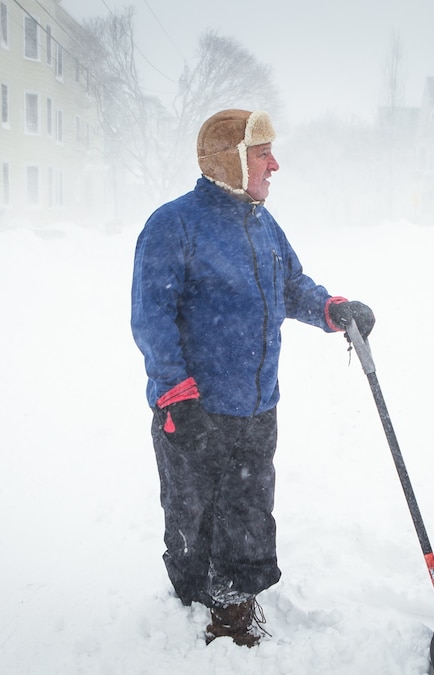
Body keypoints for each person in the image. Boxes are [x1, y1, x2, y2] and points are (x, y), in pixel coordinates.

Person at [130, 109, 375, 647]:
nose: (275, 165)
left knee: (248, 507)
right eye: (263, 153)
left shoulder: (262, 224)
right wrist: (176, 395)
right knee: (194, 514)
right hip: (196, 408)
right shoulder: (174, 225)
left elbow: (291, 286)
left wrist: (335, 311)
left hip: (257, 404)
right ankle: (194, 608)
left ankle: (235, 603)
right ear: (232, 160)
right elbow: (152, 317)